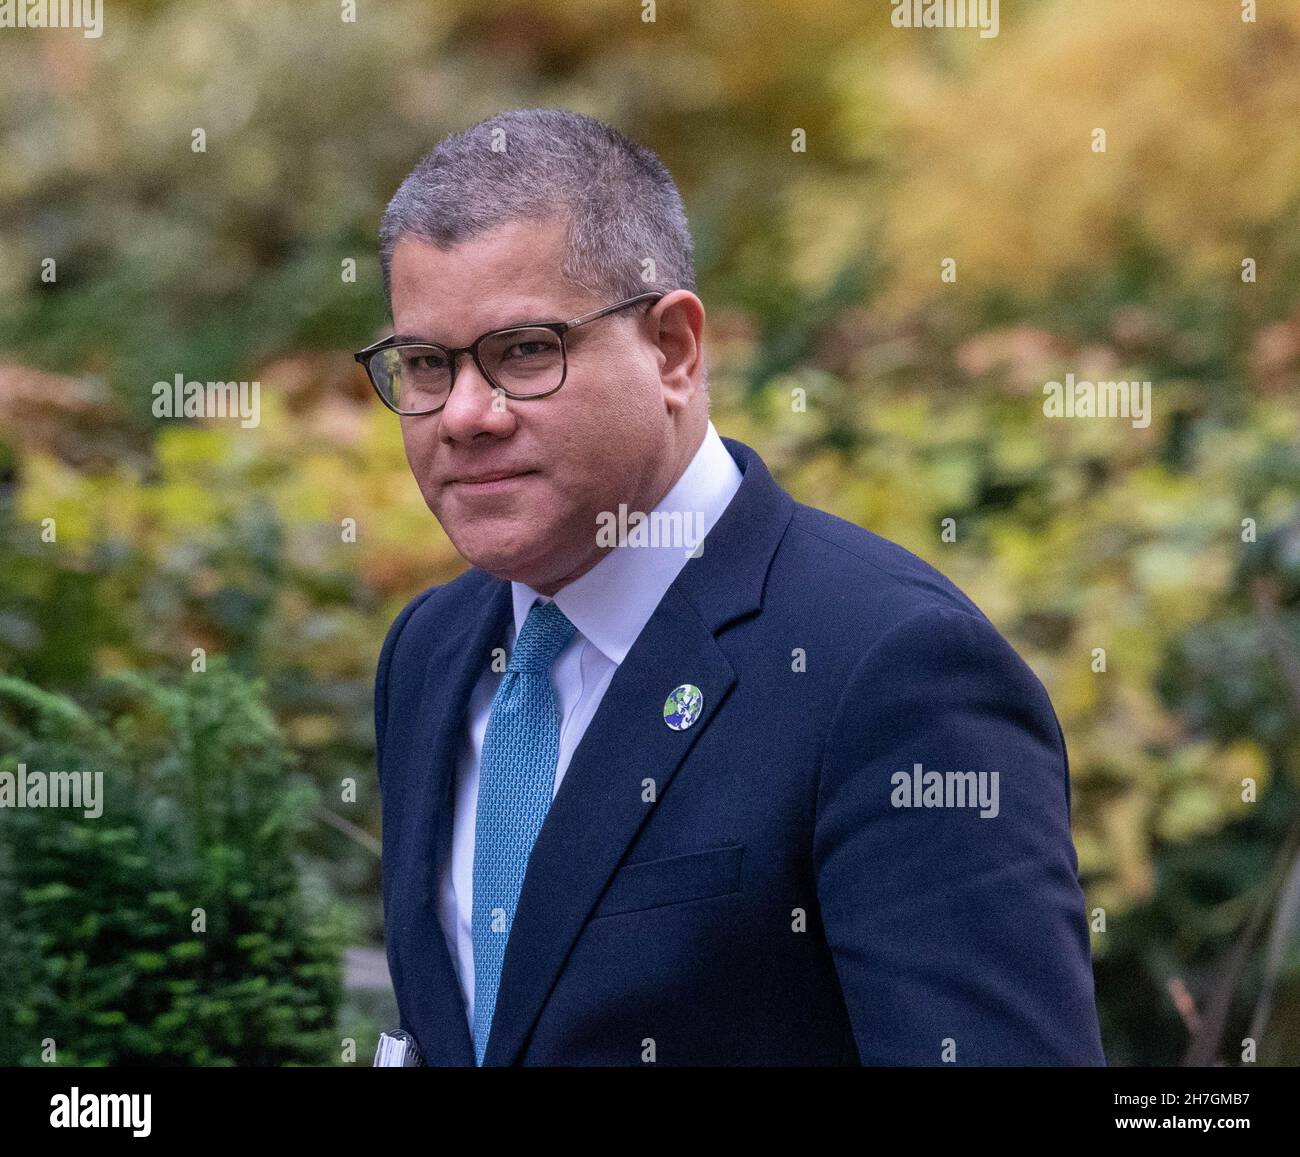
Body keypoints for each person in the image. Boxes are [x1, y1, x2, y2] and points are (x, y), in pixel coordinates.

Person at [363, 107, 1105, 1067]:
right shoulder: (430, 650)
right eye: (427, 365)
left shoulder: (892, 669)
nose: (466, 414)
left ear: (673, 349)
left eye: (525, 351)